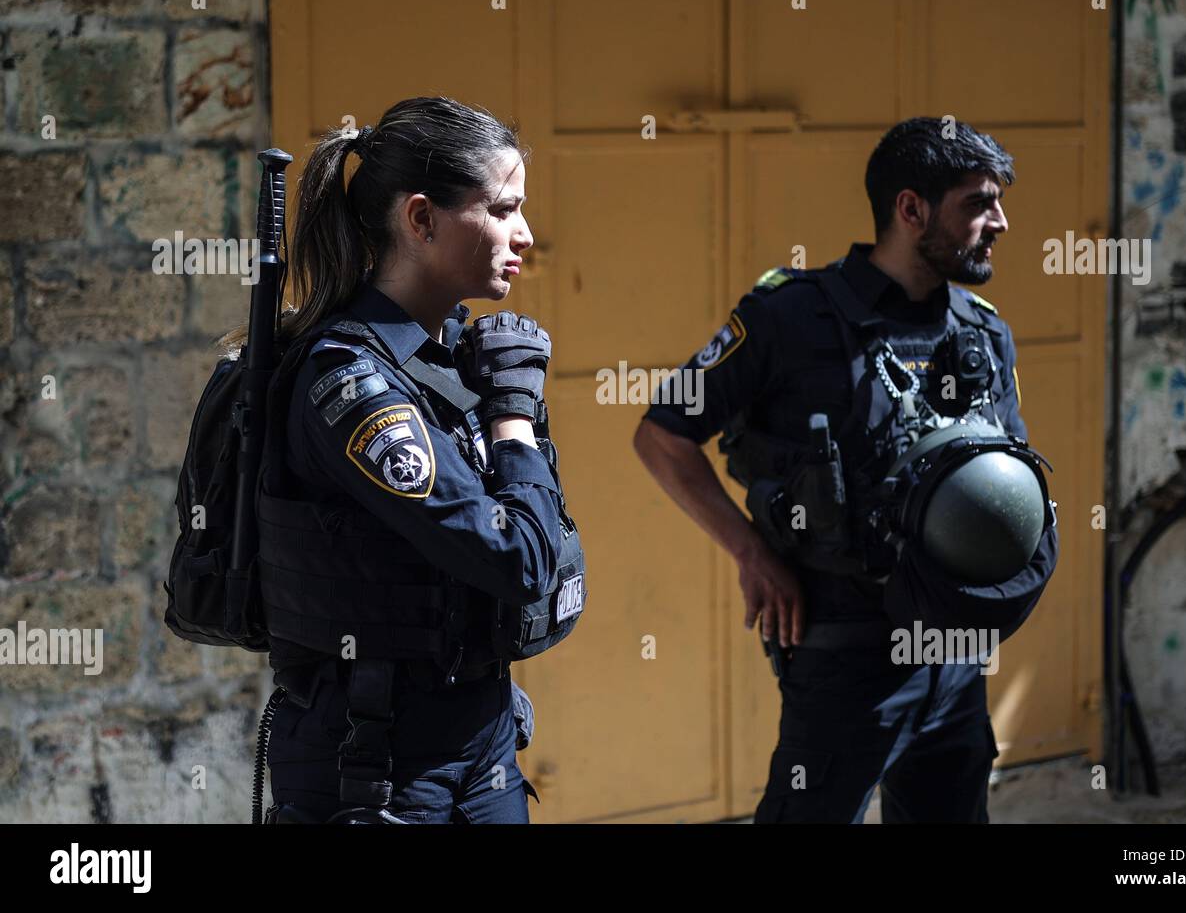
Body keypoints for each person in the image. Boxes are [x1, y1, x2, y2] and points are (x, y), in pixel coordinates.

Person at [633, 117, 1059, 823]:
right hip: (844, 655)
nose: (1001, 222)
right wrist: (750, 551)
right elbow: (663, 436)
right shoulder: (788, 317)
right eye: (978, 203)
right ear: (911, 208)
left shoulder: (983, 332)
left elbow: (1008, 487)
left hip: (955, 660)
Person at [225, 96, 569, 824]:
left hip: (481, 746)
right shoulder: (349, 383)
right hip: (377, 772)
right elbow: (520, 561)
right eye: (503, 210)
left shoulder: (449, 361)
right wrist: (513, 417)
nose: (525, 235)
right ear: (421, 220)